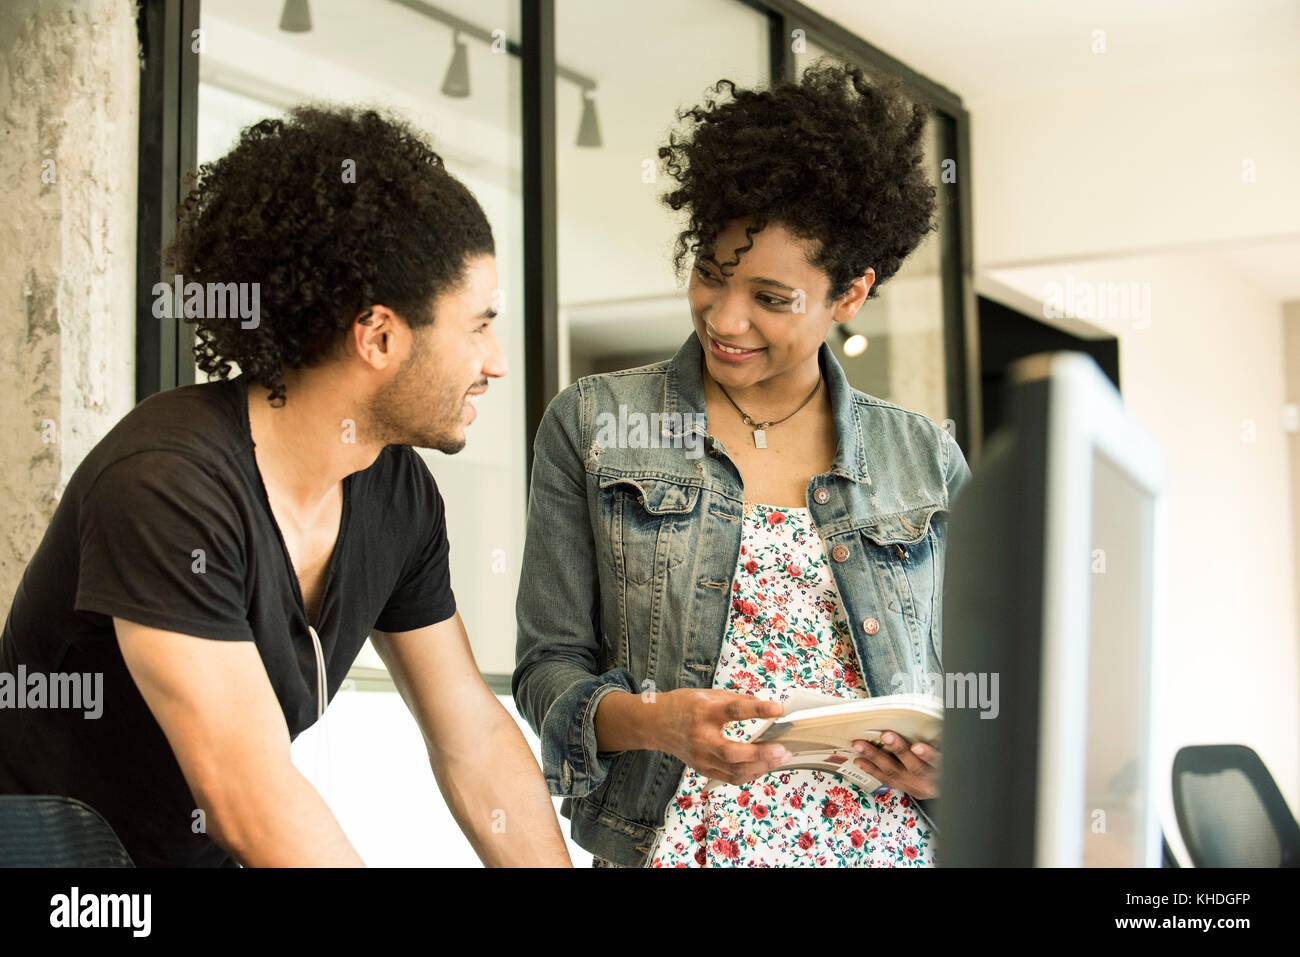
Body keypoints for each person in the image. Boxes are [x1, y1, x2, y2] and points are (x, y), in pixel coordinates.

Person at [0, 106, 571, 867]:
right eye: (477, 325)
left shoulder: (394, 491)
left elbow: (471, 736)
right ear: (378, 336)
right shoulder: (168, 485)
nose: (496, 361)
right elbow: (252, 797)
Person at [513, 62, 971, 867]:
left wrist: (952, 766)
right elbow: (547, 670)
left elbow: (996, 687)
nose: (727, 318)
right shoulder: (596, 424)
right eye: (712, 275)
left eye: (773, 297)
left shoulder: (923, 457)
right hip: (675, 846)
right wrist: (659, 721)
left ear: (851, 293)